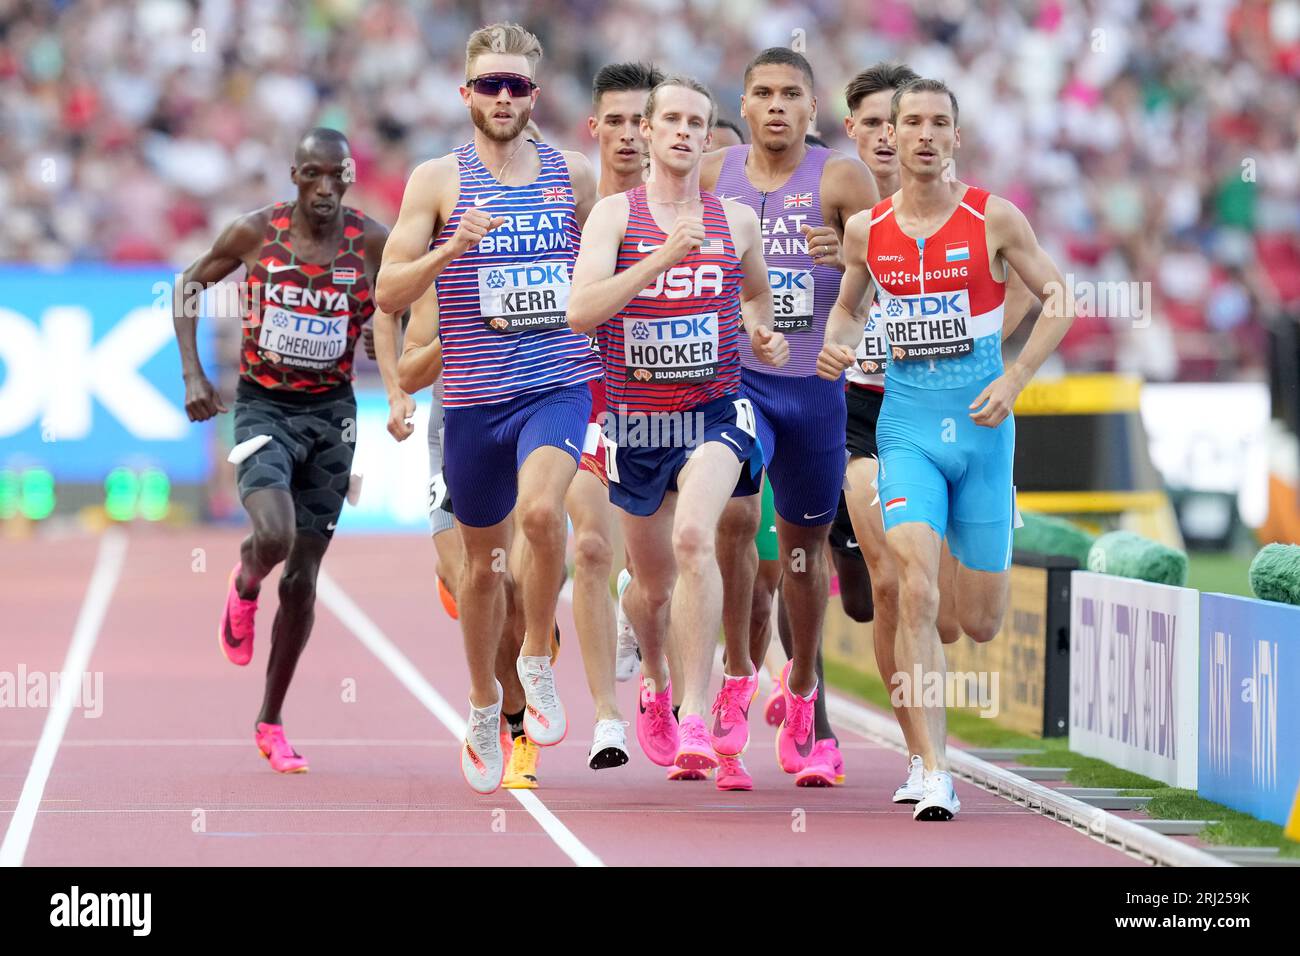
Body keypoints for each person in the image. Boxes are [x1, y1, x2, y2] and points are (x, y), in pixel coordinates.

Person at [819, 78, 1075, 820]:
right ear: (889, 138)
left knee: (977, 620)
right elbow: (846, 307)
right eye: (912, 123)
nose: (925, 135)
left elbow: (1058, 296)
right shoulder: (868, 230)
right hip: (905, 432)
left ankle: (985, 541)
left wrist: (1017, 376)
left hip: (985, 436)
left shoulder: (993, 217)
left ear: (956, 137)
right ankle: (934, 768)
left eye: (940, 123)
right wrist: (838, 346)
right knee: (915, 590)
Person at [377, 22, 603, 794]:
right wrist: (451, 248)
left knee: (542, 516)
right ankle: (482, 704)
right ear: (465, 92)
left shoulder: (574, 175)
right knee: (482, 571)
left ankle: (538, 658)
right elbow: (388, 293)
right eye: (489, 86)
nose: (503, 98)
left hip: (558, 382)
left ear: (534, 95)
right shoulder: (437, 182)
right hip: (474, 399)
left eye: (517, 87)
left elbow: (607, 270)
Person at [567, 74, 783, 786]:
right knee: (651, 589)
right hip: (636, 425)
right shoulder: (615, 217)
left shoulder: (735, 222)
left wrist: (762, 330)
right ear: (649, 133)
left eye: (699, 121)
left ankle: (695, 711)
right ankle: (655, 679)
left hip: (715, 415)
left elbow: (756, 292)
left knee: (698, 538)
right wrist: (661, 257)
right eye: (673, 120)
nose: (685, 131)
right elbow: (581, 313)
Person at [175, 128, 402, 773]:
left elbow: (406, 305)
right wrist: (194, 375)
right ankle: (245, 584)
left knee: (303, 579)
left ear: (350, 178)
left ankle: (270, 721)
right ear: (295, 176)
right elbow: (188, 285)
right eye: (313, 176)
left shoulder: (373, 241)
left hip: (333, 416)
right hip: (262, 405)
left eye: (338, 177)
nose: (326, 190)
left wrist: (391, 354)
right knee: (272, 537)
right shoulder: (256, 233)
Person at [700, 47, 879, 788]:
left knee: (805, 555)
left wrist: (844, 279)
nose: (776, 105)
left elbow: (878, 266)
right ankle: (738, 676)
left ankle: (802, 684)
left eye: (791, 95)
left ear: (812, 111)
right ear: (743, 107)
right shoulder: (716, 174)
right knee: (733, 525)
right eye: (763, 93)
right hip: (738, 381)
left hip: (812, 390)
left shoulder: (840, 176)